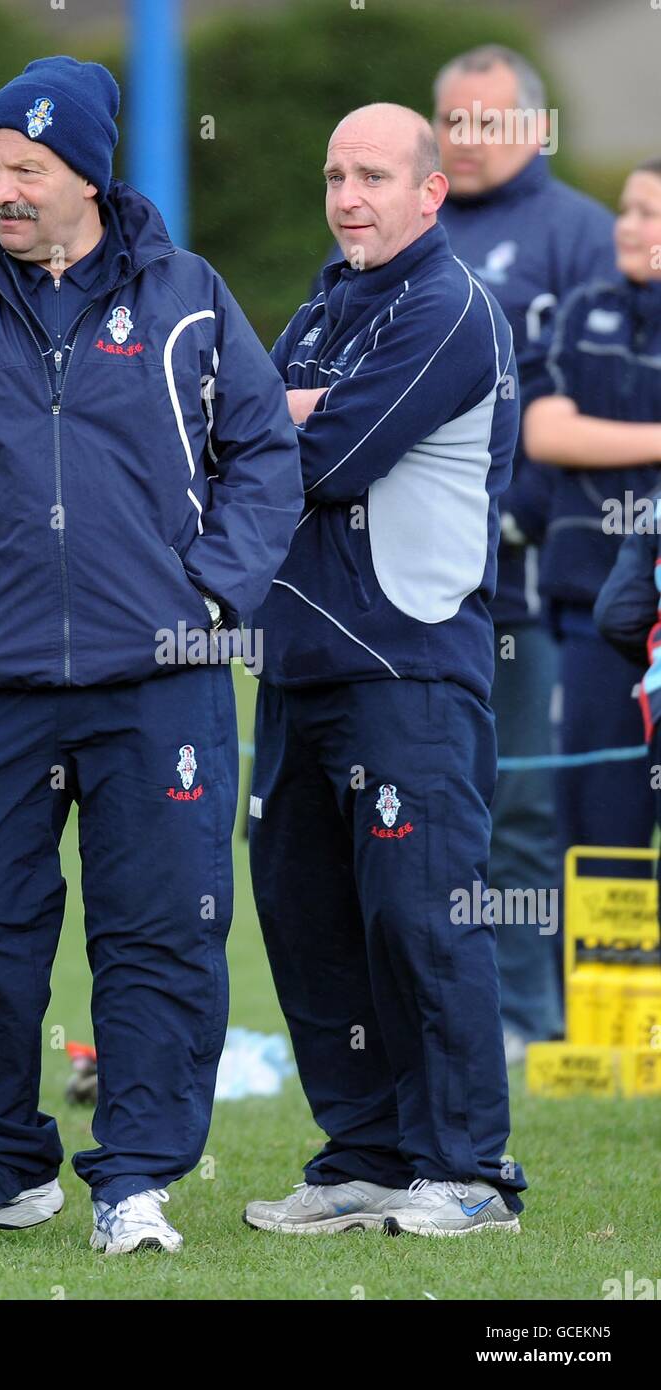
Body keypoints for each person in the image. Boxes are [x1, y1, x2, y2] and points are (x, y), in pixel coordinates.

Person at [0, 56, 303, 1253]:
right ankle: (3, 1166)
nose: (2, 191)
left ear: (90, 177)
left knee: (160, 932)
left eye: (28, 170)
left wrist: (215, 589)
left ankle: (136, 1184)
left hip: (160, 681)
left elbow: (262, 453)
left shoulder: (189, 292)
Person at [244, 103, 527, 1238]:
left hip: (406, 665)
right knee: (306, 918)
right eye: (333, 176)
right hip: (296, 663)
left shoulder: (449, 305)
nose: (348, 196)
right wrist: (285, 411)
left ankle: (469, 1172)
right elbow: (239, 439)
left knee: (421, 920)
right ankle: (361, 1156)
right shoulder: (322, 305)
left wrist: (284, 417)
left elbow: (324, 458)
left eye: (371, 175)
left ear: (429, 192)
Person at [433, 46, 616, 1060]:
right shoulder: (413, 228)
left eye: (485, 122)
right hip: (410, 579)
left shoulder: (581, 234)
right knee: (429, 797)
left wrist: (530, 513)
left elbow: (597, 399)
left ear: (533, 129)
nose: (464, 141)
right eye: (450, 122)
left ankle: (523, 1016)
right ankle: (437, 1008)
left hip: (532, 581)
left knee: (525, 800)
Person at [525, 158, 661, 877]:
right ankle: (601, 998)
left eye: (649, 214)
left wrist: (607, 439)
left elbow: (581, 434)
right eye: (626, 209)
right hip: (590, 614)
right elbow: (548, 433)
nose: (629, 227)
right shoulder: (583, 308)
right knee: (598, 845)